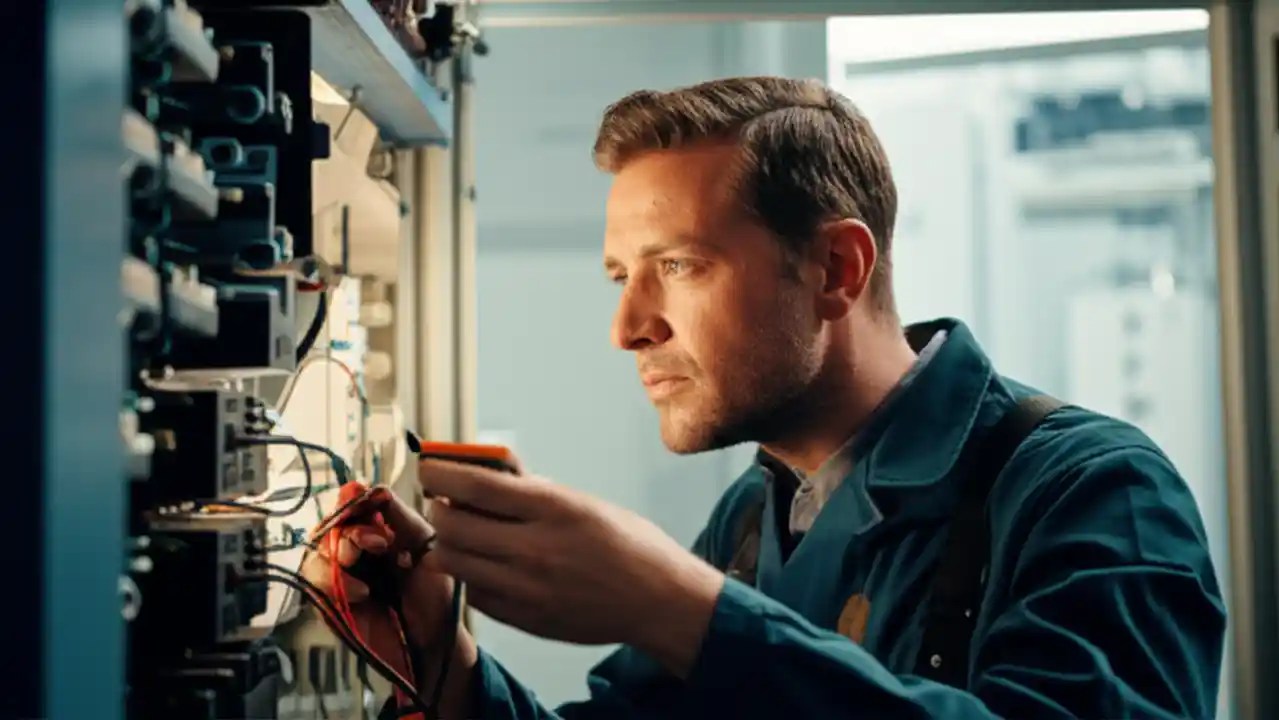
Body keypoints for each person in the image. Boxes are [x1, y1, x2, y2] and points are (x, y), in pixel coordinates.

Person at [306, 76, 1227, 719]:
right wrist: (439, 655)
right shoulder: (758, 517)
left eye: (678, 266)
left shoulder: (1097, 495)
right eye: (622, 275)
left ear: (835, 268)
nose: (628, 327)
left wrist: (680, 609)